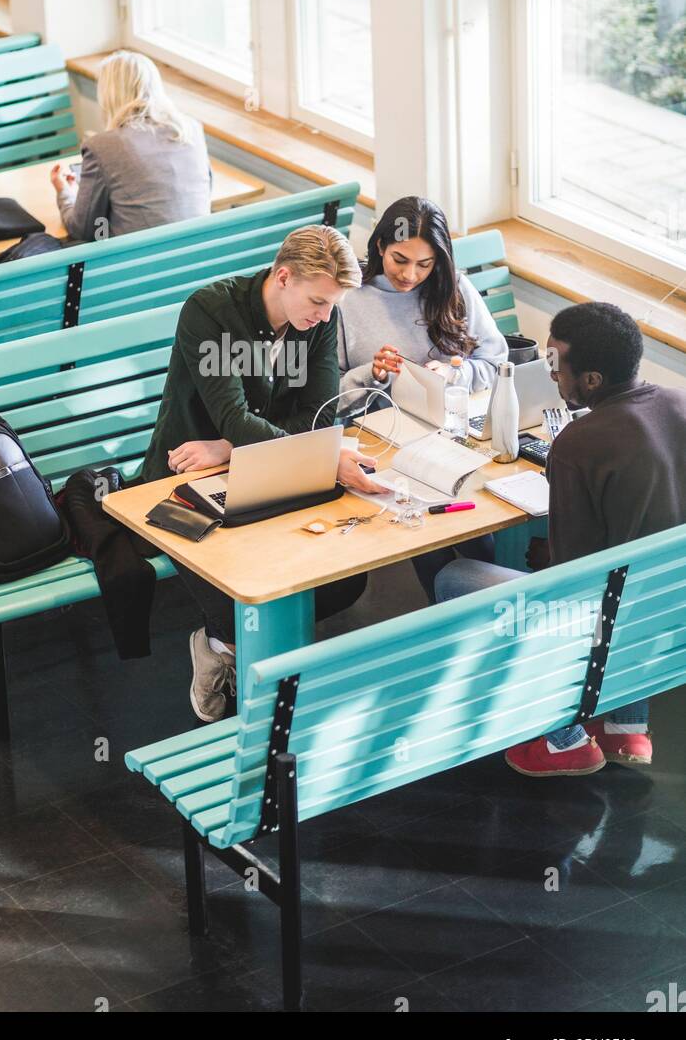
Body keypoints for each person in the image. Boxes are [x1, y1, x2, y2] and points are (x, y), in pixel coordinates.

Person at [141, 223, 391, 722]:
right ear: (283, 278)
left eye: (332, 305)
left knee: (345, 582)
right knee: (237, 584)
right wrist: (299, 452)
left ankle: (230, 646)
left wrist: (230, 447)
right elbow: (234, 414)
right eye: (318, 302)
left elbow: (321, 415)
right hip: (181, 475)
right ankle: (231, 651)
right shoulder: (211, 311)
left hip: (255, 462)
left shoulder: (317, 321)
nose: (325, 316)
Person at [435, 301, 686, 776]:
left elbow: (572, 579)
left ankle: (560, 739)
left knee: (455, 575)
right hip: (673, 609)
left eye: (555, 364)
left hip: (608, 618)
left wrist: (551, 554)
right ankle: (626, 729)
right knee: (641, 585)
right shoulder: (680, 402)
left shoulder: (578, 441)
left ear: (591, 380)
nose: (550, 373)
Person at [338, 196, 509, 601]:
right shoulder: (349, 298)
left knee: (476, 517)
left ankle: (475, 606)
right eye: (400, 259)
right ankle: (454, 609)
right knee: (423, 514)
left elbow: (495, 360)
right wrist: (373, 374)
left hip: (457, 433)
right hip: (383, 442)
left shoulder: (453, 288)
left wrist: (455, 373)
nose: (410, 275)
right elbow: (329, 393)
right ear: (380, 246)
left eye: (425, 264)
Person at [49, 50, 211, 241]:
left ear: (109, 94)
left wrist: (64, 193)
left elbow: (82, 230)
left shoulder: (102, 146)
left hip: (142, 267)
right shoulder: (191, 128)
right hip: (200, 261)